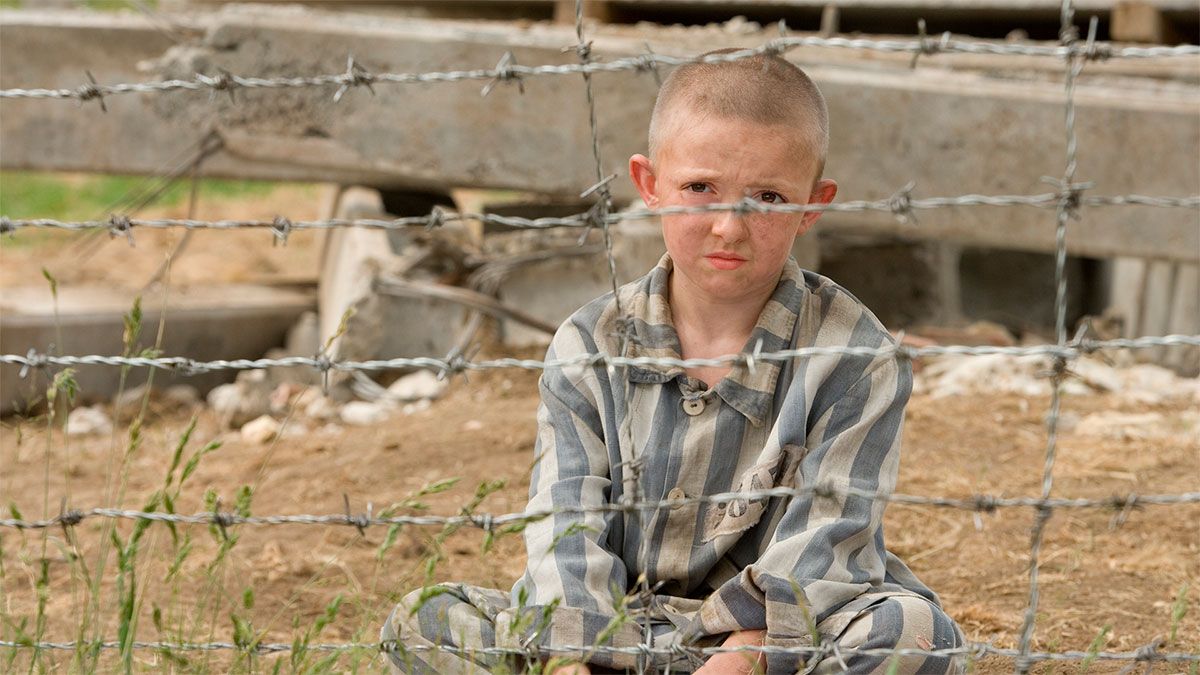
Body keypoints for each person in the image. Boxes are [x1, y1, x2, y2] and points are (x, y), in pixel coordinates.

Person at [382, 49, 964, 675]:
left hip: (772, 643)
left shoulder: (854, 356)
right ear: (649, 184)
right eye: (699, 188)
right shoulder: (590, 343)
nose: (728, 227)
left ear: (812, 205)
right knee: (429, 618)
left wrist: (745, 654)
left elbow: (829, 538)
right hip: (614, 633)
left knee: (913, 634)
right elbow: (567, 523)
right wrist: (572, 658)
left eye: (767, 196)